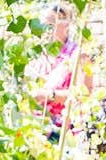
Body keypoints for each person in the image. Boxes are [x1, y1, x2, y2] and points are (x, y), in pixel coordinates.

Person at [34, 3, 93, 140]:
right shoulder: (39, 55)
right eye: (45, 24)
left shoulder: (78, 54)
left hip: (64, 133)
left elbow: (84, 92)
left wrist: (50, 95)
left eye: (51, 24)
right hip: (36, 130)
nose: (47, 29)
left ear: (66, 24)